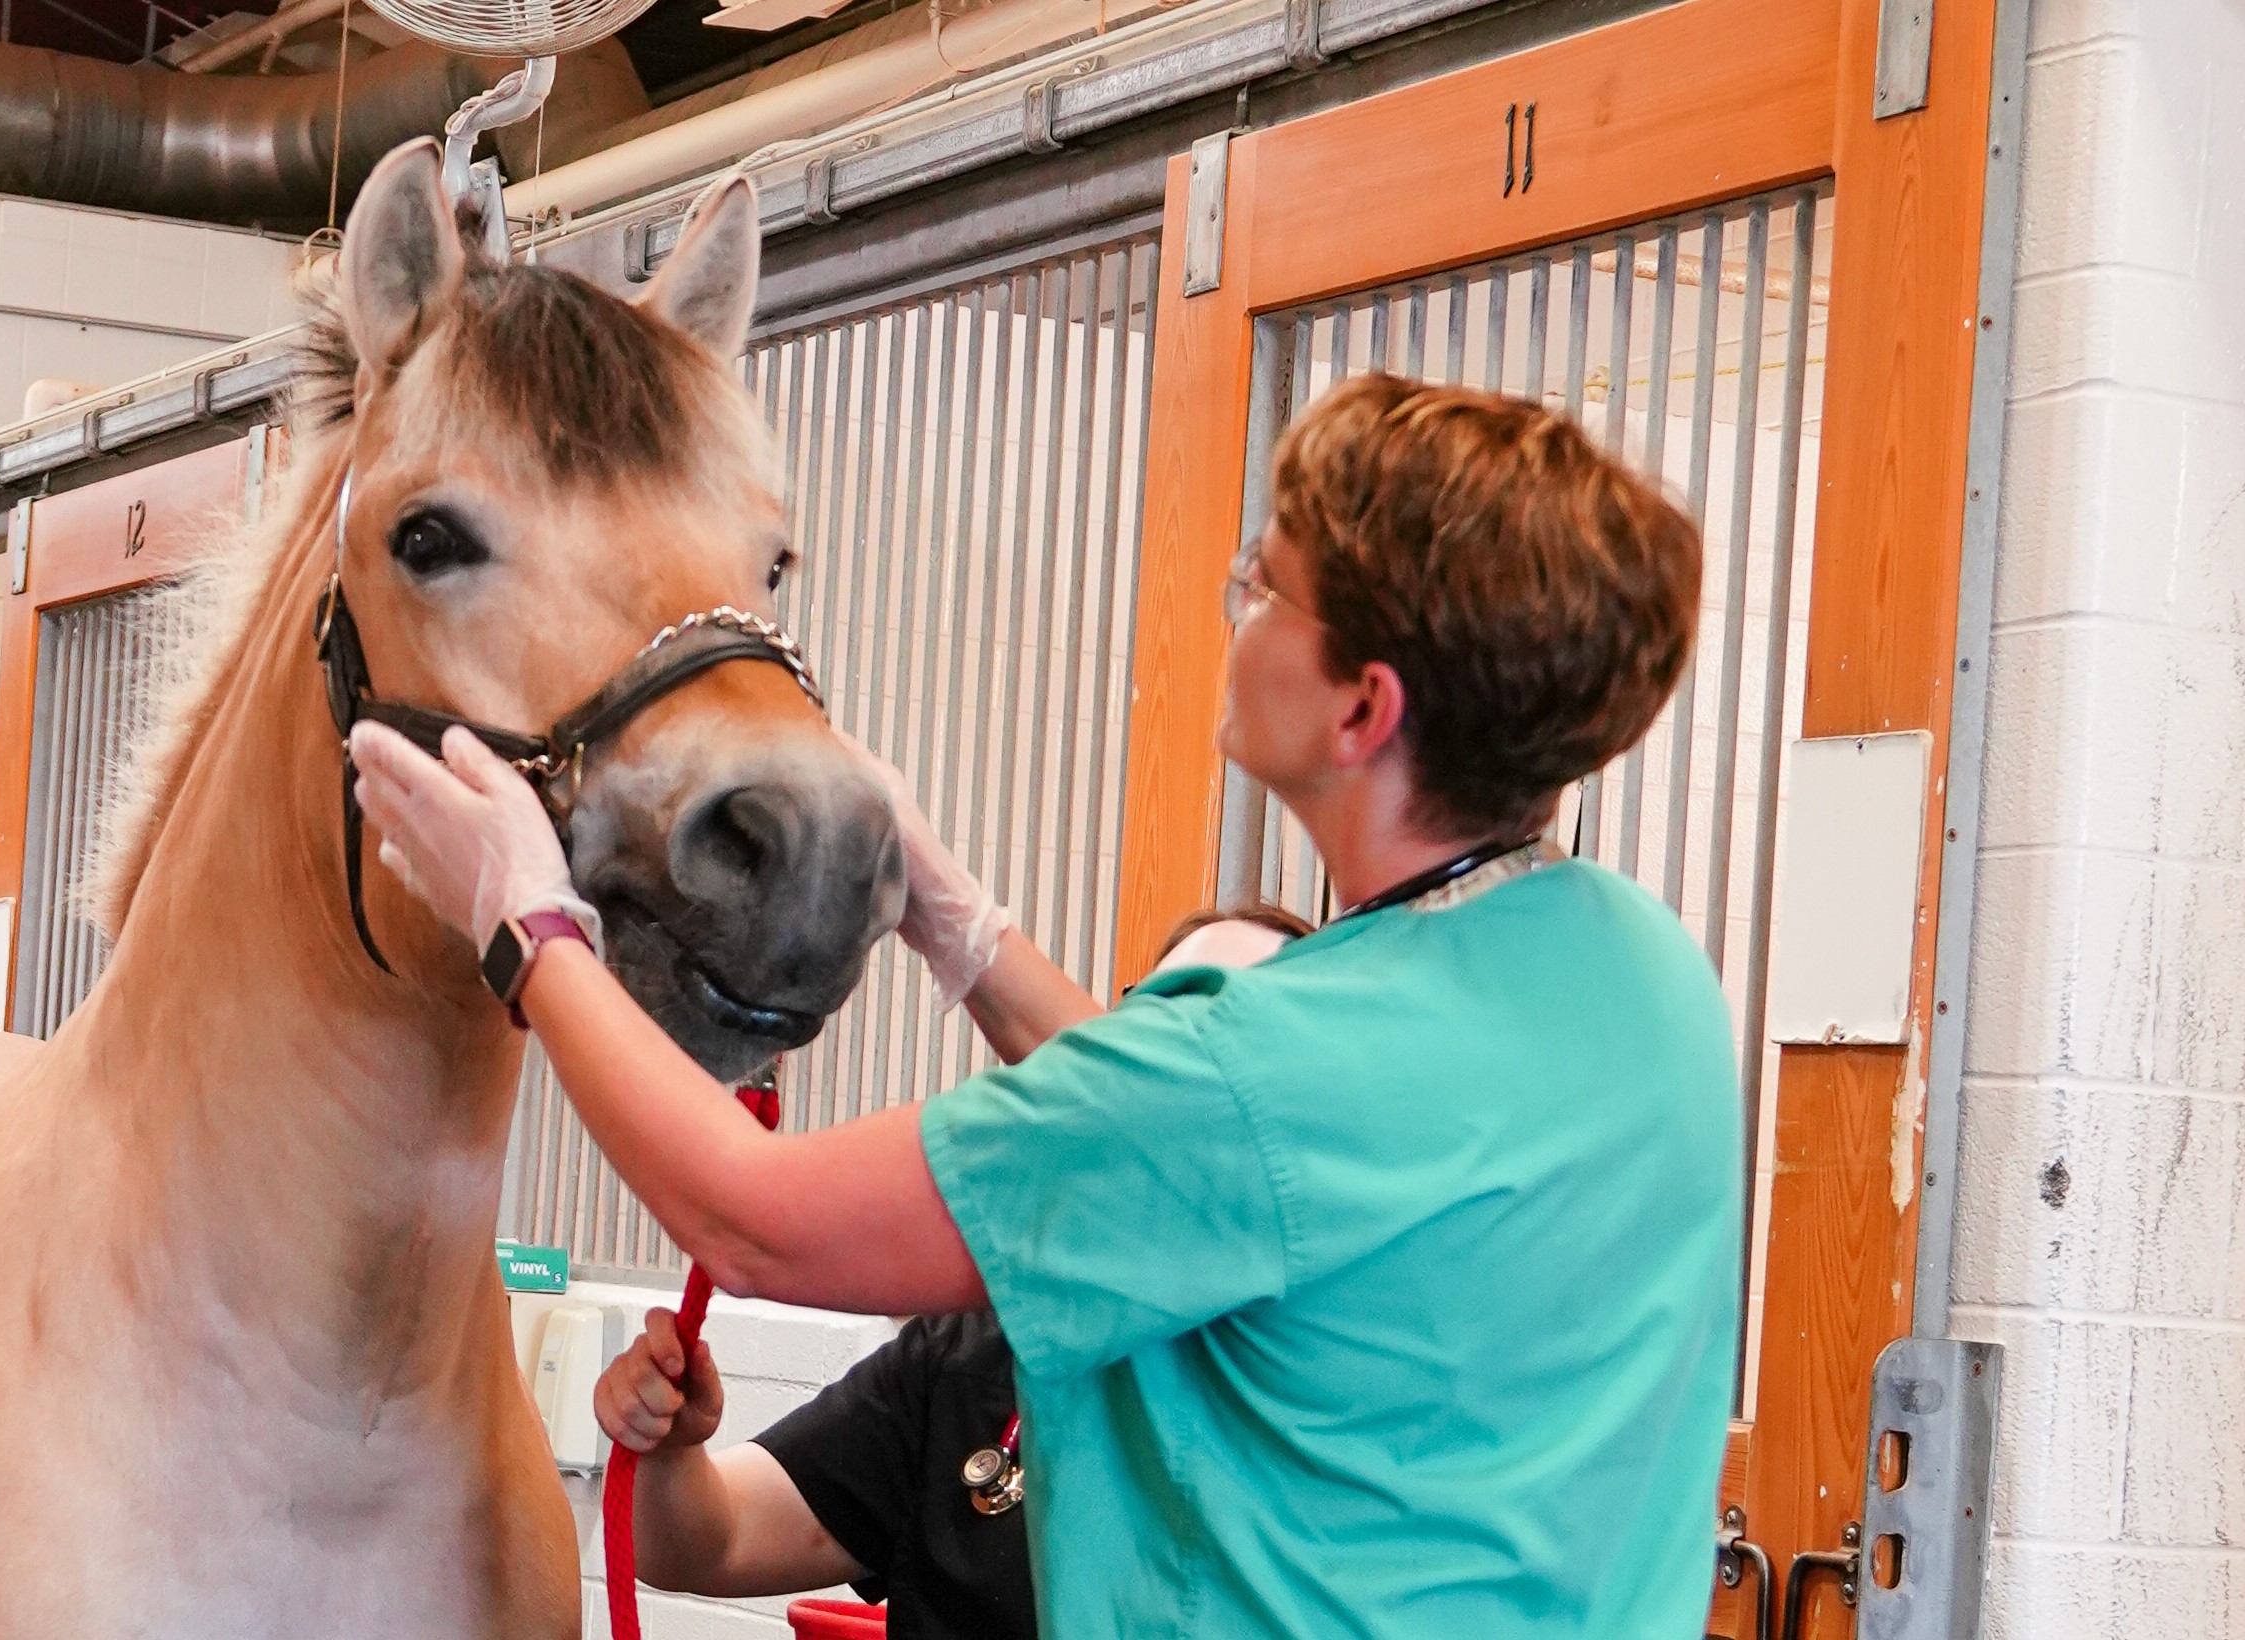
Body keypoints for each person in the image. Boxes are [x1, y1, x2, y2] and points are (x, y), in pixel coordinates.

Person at [350, 374, 1741, 1637]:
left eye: (1264, 584)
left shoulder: (1264, 1078)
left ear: (1362, 711)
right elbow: (1234, 1164)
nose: (1233, 604)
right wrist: (960, 931)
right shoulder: (1639, 975)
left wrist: (529, 927)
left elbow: (752, 1220)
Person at [589, 906, 1311, 1640]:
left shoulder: (1334, 1406)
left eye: (1221, 1037)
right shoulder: (973, 1357)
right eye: (1155, 1027)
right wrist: (672, 1451)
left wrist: (542, 951)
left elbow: (747, 1231)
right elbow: (714, 1543)